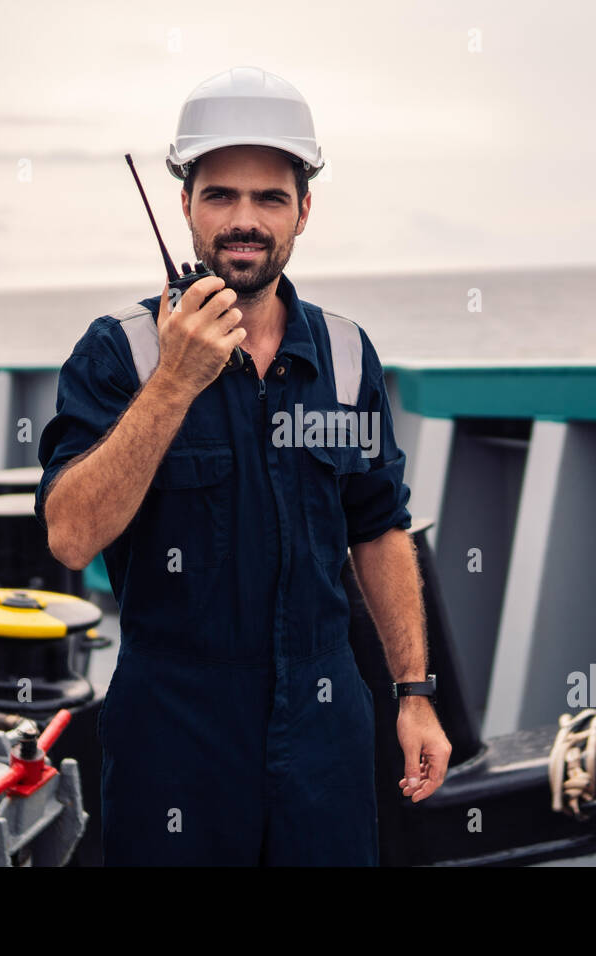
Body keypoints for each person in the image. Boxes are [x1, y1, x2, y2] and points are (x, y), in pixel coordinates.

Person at [36, 66, 451, 865]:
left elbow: (379, 527)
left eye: (269, 198)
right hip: (176, 731)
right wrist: (174, 382)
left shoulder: (344, 352)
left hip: (324, 725)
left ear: (303, 208)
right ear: (185, 204)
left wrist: (414, 693)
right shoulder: (119, 352)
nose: (244, 221)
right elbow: (69, 535)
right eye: (221, 195)